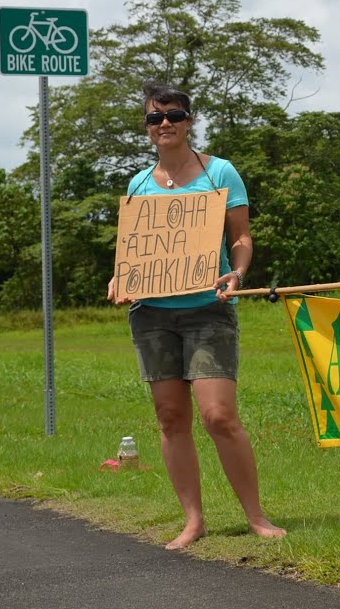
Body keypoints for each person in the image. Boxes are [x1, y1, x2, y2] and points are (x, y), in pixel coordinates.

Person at [107, 82, 285, 551]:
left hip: (209, 309)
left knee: (218, 415)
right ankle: (193, 521)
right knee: (170, 418)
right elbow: (134, 251)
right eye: (155, 117)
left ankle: (256, 517)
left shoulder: (220, 171)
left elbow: (241, 238)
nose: (164, 123)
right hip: (152, 315)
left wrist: (237, 274)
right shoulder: (138, 184)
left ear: (189, 121)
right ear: (147, 127)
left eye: (174, 115)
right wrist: (119, 278)